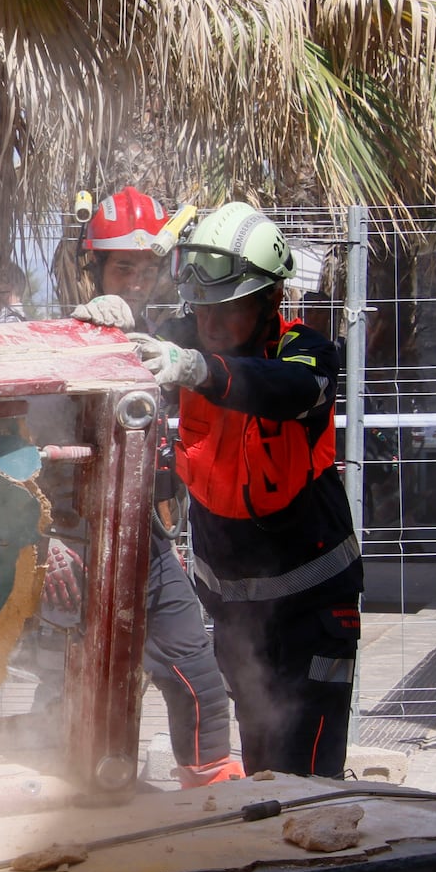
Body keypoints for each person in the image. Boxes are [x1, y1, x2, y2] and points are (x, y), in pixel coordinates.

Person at [132, 203, 363, 778]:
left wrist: (197, 370)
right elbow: (133, 352)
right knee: (261, 757)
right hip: (236, 607)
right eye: (202, 305)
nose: (210, 321)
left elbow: (287, 389)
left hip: (312, 604)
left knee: (305, 766)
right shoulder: (185, 342)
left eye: (228, 305)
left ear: (269, 300)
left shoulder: (305, 352)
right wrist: (108, 325)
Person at [58, 187, 240, 786]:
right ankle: (68, 806)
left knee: (198, 679)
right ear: (92, 266)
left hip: (147, 544)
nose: (135, 282)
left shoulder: (173, 336)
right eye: (121, 266)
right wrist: (81, 339)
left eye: (147, 268)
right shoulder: (55, 337)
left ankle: (211, 795)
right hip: (71, 548)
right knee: (72, 693)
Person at [68, 186, 175, 333]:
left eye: (148, 271)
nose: (136, 285)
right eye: (124, 269)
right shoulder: (72, 340)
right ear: (96, 264)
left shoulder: (160, 346)